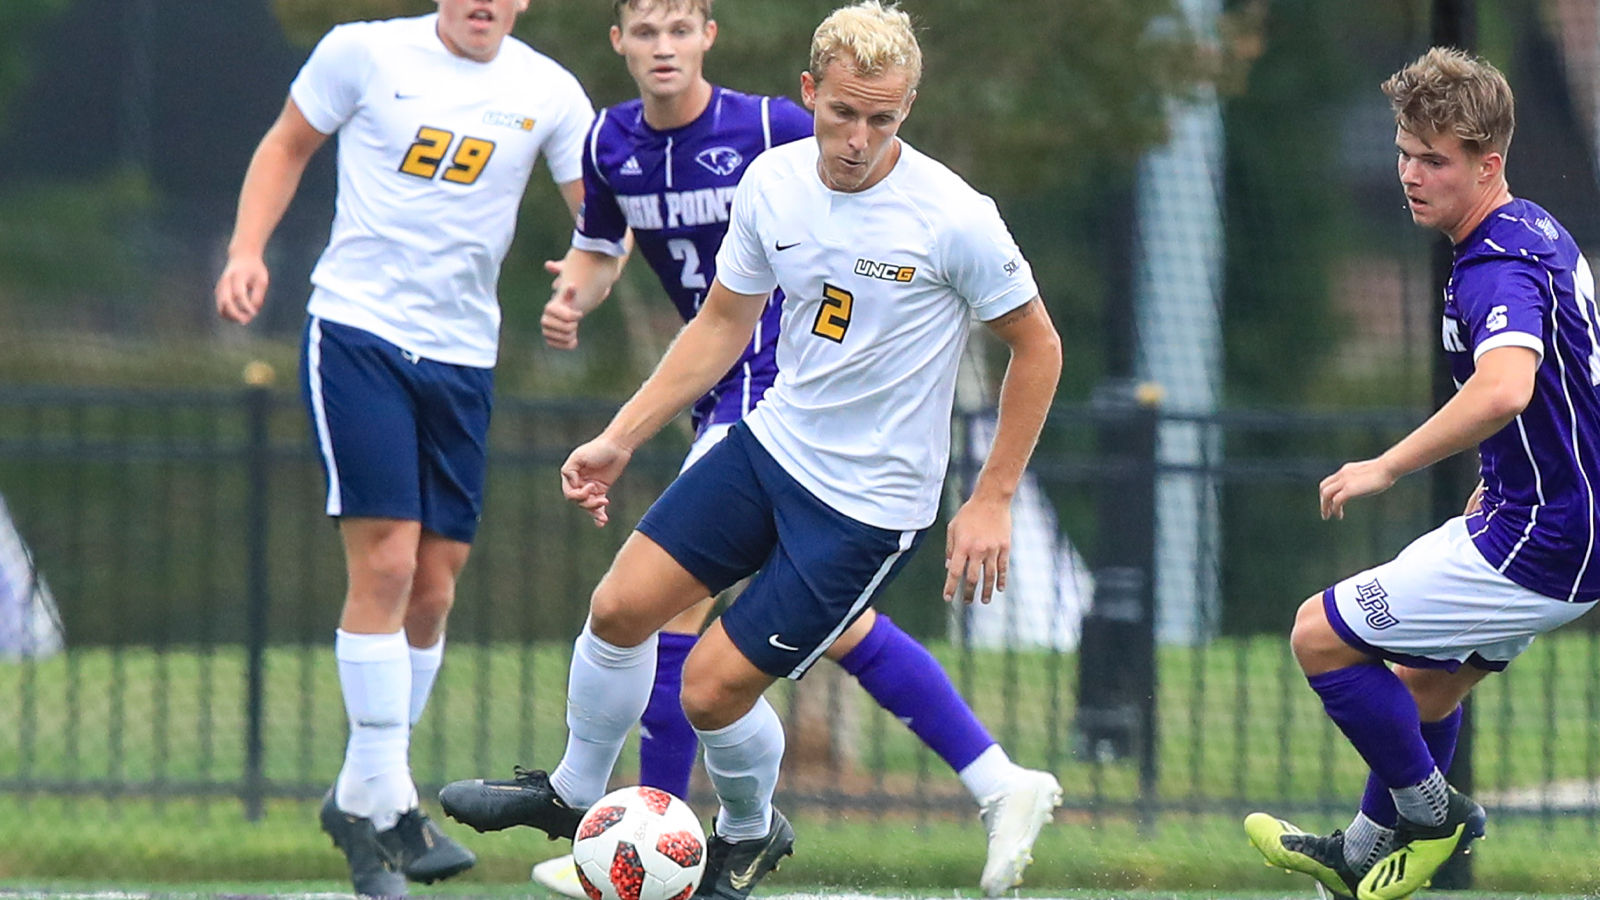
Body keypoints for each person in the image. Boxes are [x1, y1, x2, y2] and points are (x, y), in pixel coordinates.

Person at [438, 3, 1063, 897]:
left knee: (709, 688)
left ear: (908, 109)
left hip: (866, 507)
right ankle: (573, 795)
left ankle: (745, 830)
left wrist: (993, 496)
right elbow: (723, 323)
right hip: (770, 445)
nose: (857, 137)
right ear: (810, 92)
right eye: (842, 112)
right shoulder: (772, 181)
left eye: (882, 119)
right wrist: (619, 437)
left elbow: (1038, 346)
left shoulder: (954, 215)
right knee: (618, 609)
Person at [213, 1, 594, 895]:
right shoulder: (364, 51)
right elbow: (285, 145)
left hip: (464, 356)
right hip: (358, 331)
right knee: (384, 563)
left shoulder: (549, 89)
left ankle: (363, 800)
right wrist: (244, 250)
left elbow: (600, 217)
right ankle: (388, 805)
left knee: (434, 583)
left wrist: (582, 284)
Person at [1243, 47, 1600, 900]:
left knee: (1319, 636)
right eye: (1404, 152)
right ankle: (1365, 853)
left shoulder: (1494, 265)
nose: (1410, 174)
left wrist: (1385, 466)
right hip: (1553, 516)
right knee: (1426, 686)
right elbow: (1568, 378)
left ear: (1489, 164)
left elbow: (1509, 385)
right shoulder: (1534, 227)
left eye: (1434, 160)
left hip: (1543, 537)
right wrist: (1513, 468)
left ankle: (1435, 814)